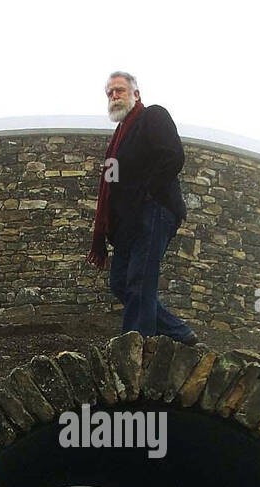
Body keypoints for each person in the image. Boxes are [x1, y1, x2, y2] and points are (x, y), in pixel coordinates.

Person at [86, 71, 199, 345]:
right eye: (110, 93)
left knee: (139, 281)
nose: (114, 96)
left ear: (135, 94)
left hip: (154, 212)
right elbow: (112, 187)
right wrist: (110, 224)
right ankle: (178, 332)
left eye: (120, 90)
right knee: (121, 283)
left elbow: (173, 155)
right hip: (127, 225)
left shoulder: (153, 117)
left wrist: (147, 194)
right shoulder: (117, 141)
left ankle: (133, 348)